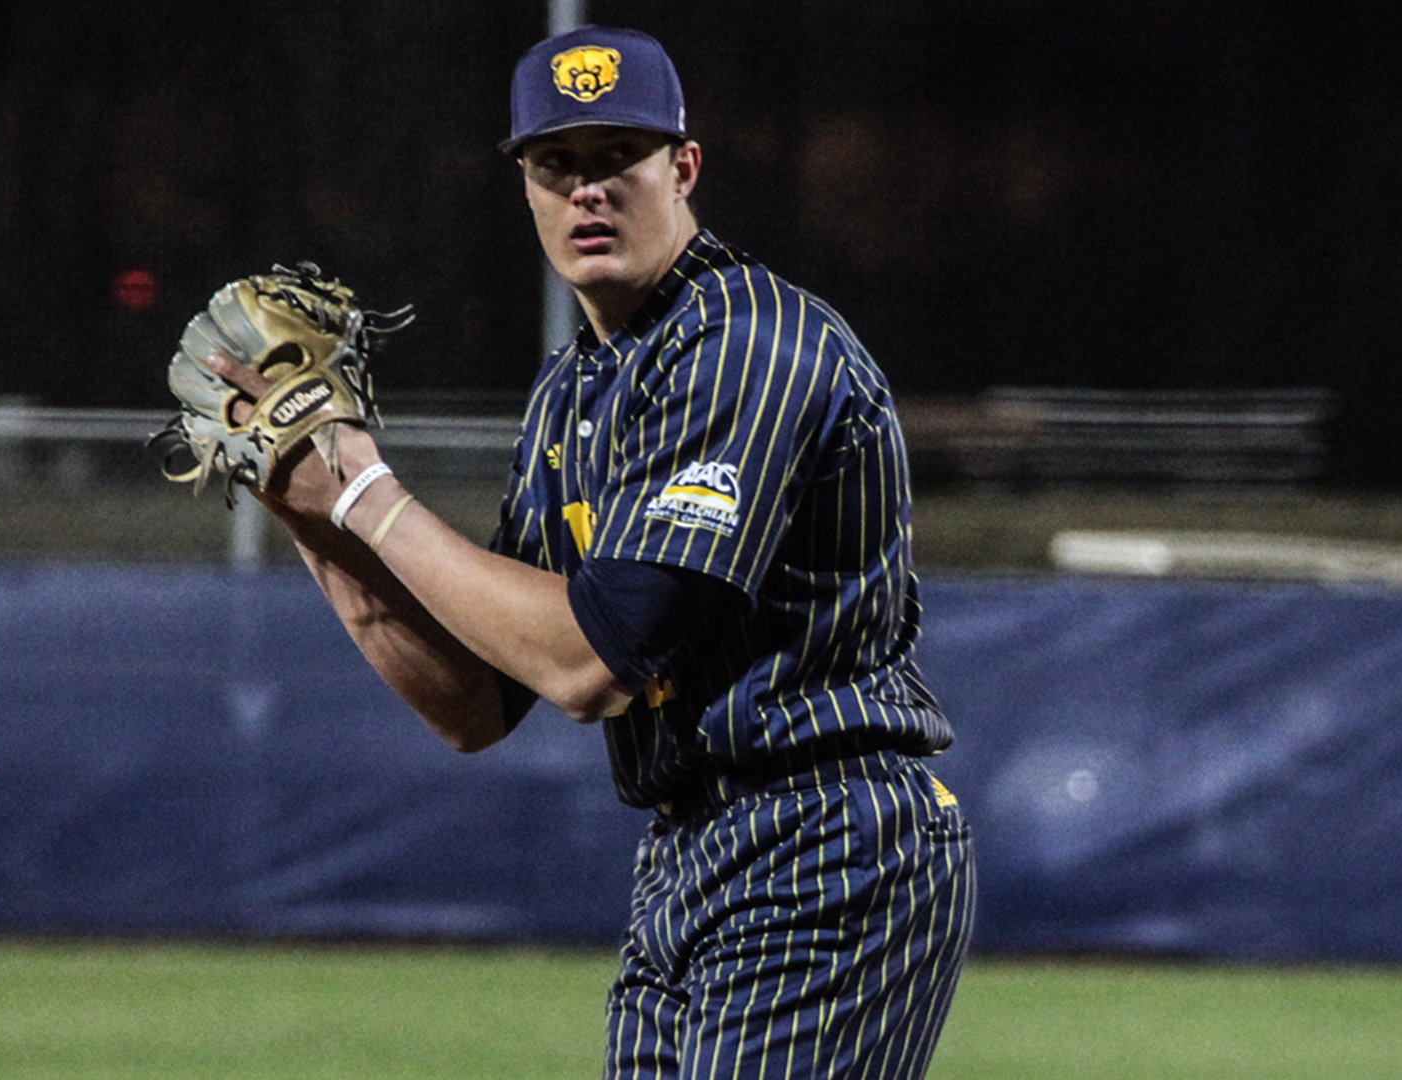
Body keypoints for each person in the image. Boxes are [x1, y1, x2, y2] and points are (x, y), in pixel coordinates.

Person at [204, 25, 975, 1079]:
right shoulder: (572, 394)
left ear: (684, 168)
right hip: (688, 852)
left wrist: (364, 490)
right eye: (557, 164)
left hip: (825, 834)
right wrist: (310, 512)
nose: (588, 192)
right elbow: (476, 700)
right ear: (523, 185)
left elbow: (591, 661)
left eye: (619, 157)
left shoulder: (744, 342)